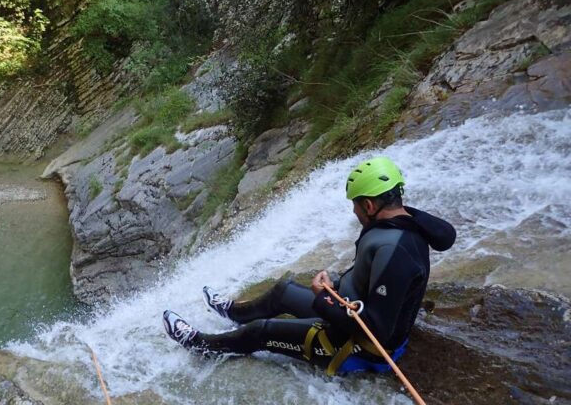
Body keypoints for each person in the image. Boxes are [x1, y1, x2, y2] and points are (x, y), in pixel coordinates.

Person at [162, 156, 456, 375]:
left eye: (355, 204)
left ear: (369, 205)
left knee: (261, 331)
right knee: (283, 292)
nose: (353, 211)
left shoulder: (397, 250)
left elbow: (375, 332)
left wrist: (323, 297)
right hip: (347, 312)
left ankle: (202, 346)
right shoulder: (400, 223)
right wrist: (337, 284)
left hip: (355, 347)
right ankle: (233, 312)